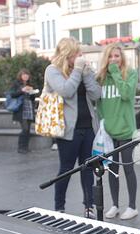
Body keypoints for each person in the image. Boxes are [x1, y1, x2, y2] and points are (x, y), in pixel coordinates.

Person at [44, 37, 101, 218]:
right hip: (68, 130)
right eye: (77, 53)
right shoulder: (52, 71)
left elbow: (96, 94)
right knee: (66, 169)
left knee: (88, 168)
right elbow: (66, 91)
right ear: (68, 54)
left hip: (88, 127)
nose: (81, 56)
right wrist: (77, 71)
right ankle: (59, 207)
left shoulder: (82, 71)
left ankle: (89, 206)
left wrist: (86, 74)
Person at [96, 43, 139, 220]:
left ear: (122, 58)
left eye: (117, 56)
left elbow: (127, 94)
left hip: (126, 130)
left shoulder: (130, 73)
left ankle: (132, 206)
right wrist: (102, 124)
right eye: (111, 56)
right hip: (108, 131)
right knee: (112, 169)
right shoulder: (101, 78)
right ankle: (114, 205)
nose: (114, 59)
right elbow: (98, 104)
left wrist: (115, 73)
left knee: (128, 167)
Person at [9, 69, 38, 154]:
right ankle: (21, 147)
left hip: (29, 109)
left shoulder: (30, 85)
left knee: (28, 129)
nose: (26, 76)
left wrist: (32, 92)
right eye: (24, 75)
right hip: (21, 110)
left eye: (27, 75)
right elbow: (12, 94)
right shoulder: (16, 84)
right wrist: (22, 91)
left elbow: (33, 99)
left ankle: (25, 148)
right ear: (20, 76)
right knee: (25, 129)